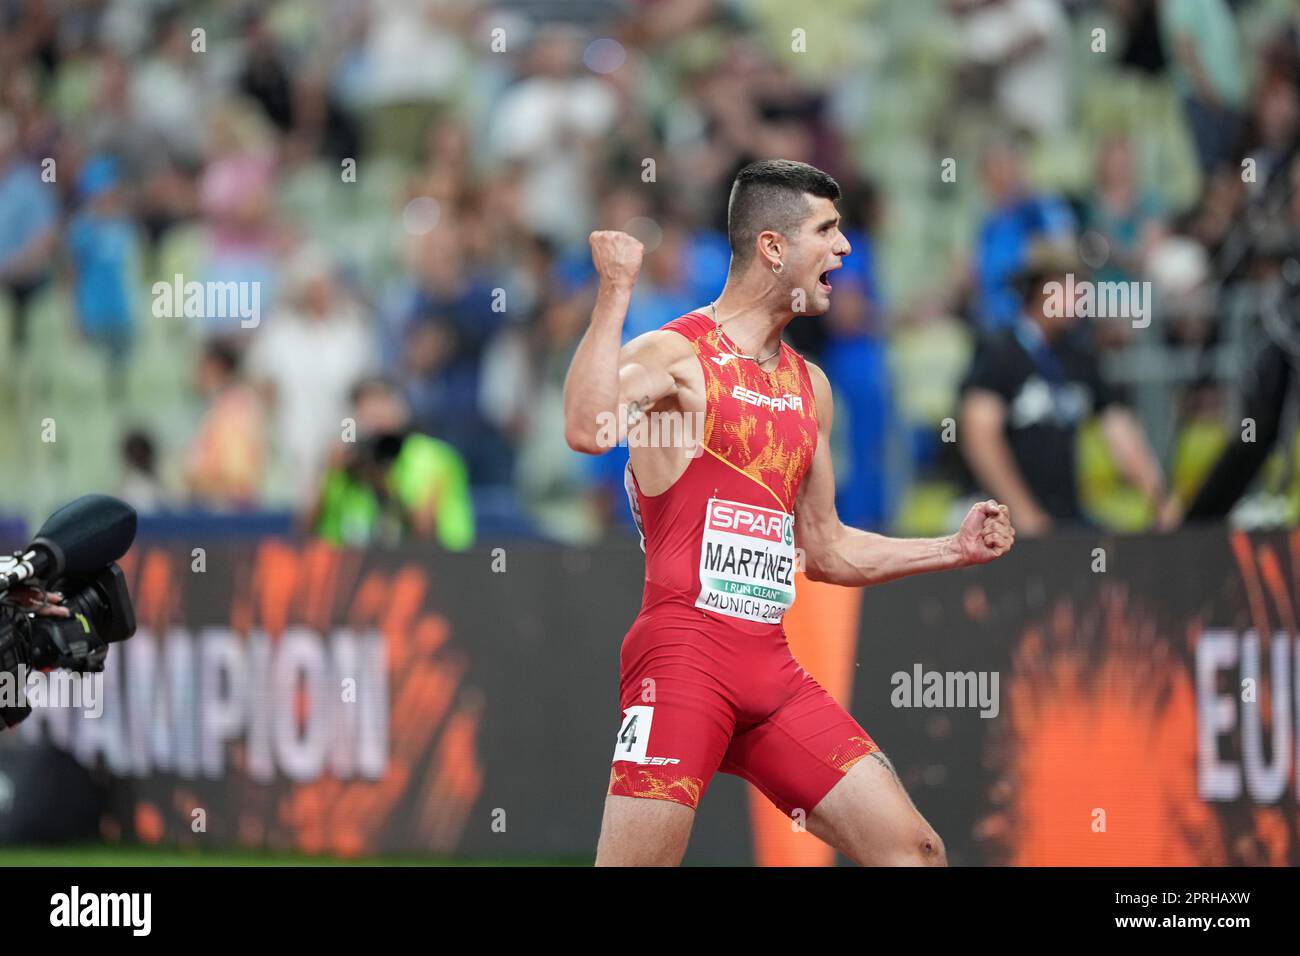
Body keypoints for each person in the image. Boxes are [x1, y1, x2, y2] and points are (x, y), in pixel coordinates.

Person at [563, 159, 1016, 866]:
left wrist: (952, 549)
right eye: (827, 231)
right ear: (773, 247)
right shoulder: (679, 358)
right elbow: (591, 427)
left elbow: (827, 549)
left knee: (916, 853)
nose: (845, 250)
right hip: (684, 661)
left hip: (769, 673)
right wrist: (616, 291)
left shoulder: (812, 388)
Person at [959, 242, 1168, 534]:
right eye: (1068, 287)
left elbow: (1119, 428)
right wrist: (1025, 515)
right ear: (1039, 290)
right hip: (998, 521)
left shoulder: (1080, 357)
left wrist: (1159, 498)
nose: (1080, 298)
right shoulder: (1000, 353)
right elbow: (980, 436)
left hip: (1064, 518)